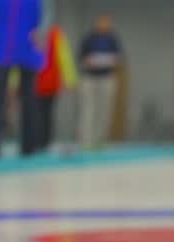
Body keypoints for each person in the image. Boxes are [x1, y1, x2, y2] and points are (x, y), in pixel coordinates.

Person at [0, 0, 52, 160]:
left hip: (29, 44)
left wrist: (42, 31)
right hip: (1, 45)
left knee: (29, 100)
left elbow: (48, 13)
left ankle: (29, 145)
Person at [79, 14, 124, 151]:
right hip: (90, 78)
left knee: (104, 110)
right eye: (102, 22)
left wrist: (114, 61)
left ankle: (100, 141)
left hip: (107, 78)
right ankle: (86, 141)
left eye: (107, 23)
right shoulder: (88, 38)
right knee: (88, 110)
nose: (104, 25)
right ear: (97, 23)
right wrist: (87, 62)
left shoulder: (113, 39)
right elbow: (81, 58)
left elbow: (120, 59)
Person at [36, 24, 78, 151]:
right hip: (32, 83)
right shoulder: (29, 31)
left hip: (50, 82)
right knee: (34, 114)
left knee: (47, 114)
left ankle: (45, 142)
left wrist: (70, 79)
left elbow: (65, 57)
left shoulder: (56, 34)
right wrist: (14, 82)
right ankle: (33, 141)